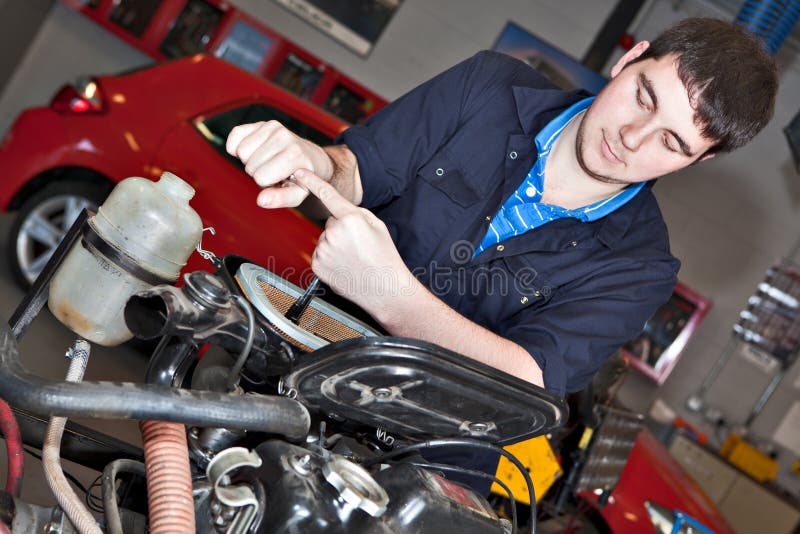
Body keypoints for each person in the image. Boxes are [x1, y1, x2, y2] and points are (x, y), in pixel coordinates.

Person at [225, 17, 776, 485]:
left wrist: (390, 293)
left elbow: (523, 382)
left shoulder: (641, 269)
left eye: (672, 141)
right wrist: (314, 162)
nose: (633, 136)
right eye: (644, 96)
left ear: (697, 162)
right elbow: (360, 168)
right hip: (299, 378)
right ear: (629, 59)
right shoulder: (486, 86)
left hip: (422, 467)